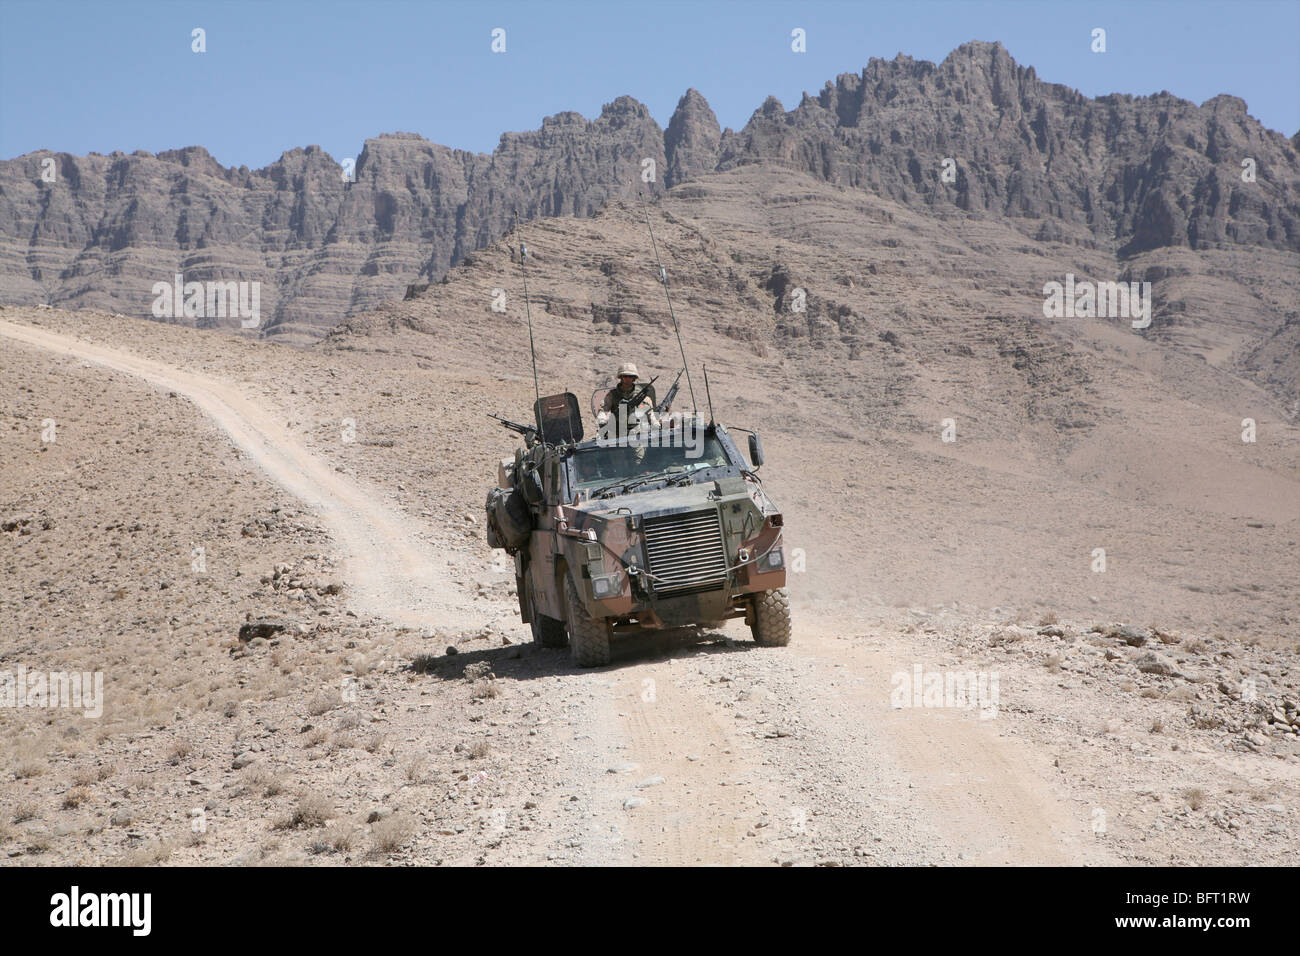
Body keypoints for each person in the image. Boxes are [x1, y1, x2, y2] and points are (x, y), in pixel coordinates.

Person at [597, 362, 658, 435]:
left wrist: (656, 425)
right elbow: (603, 410)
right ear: (621, 377)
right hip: (617, 433)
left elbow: (650, 414)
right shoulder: (612, 395)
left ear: (634, 378)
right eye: (625, 376)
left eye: (630, 376)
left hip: (638, 433)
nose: (627, 379)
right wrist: (602, 422)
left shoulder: (642, 396)